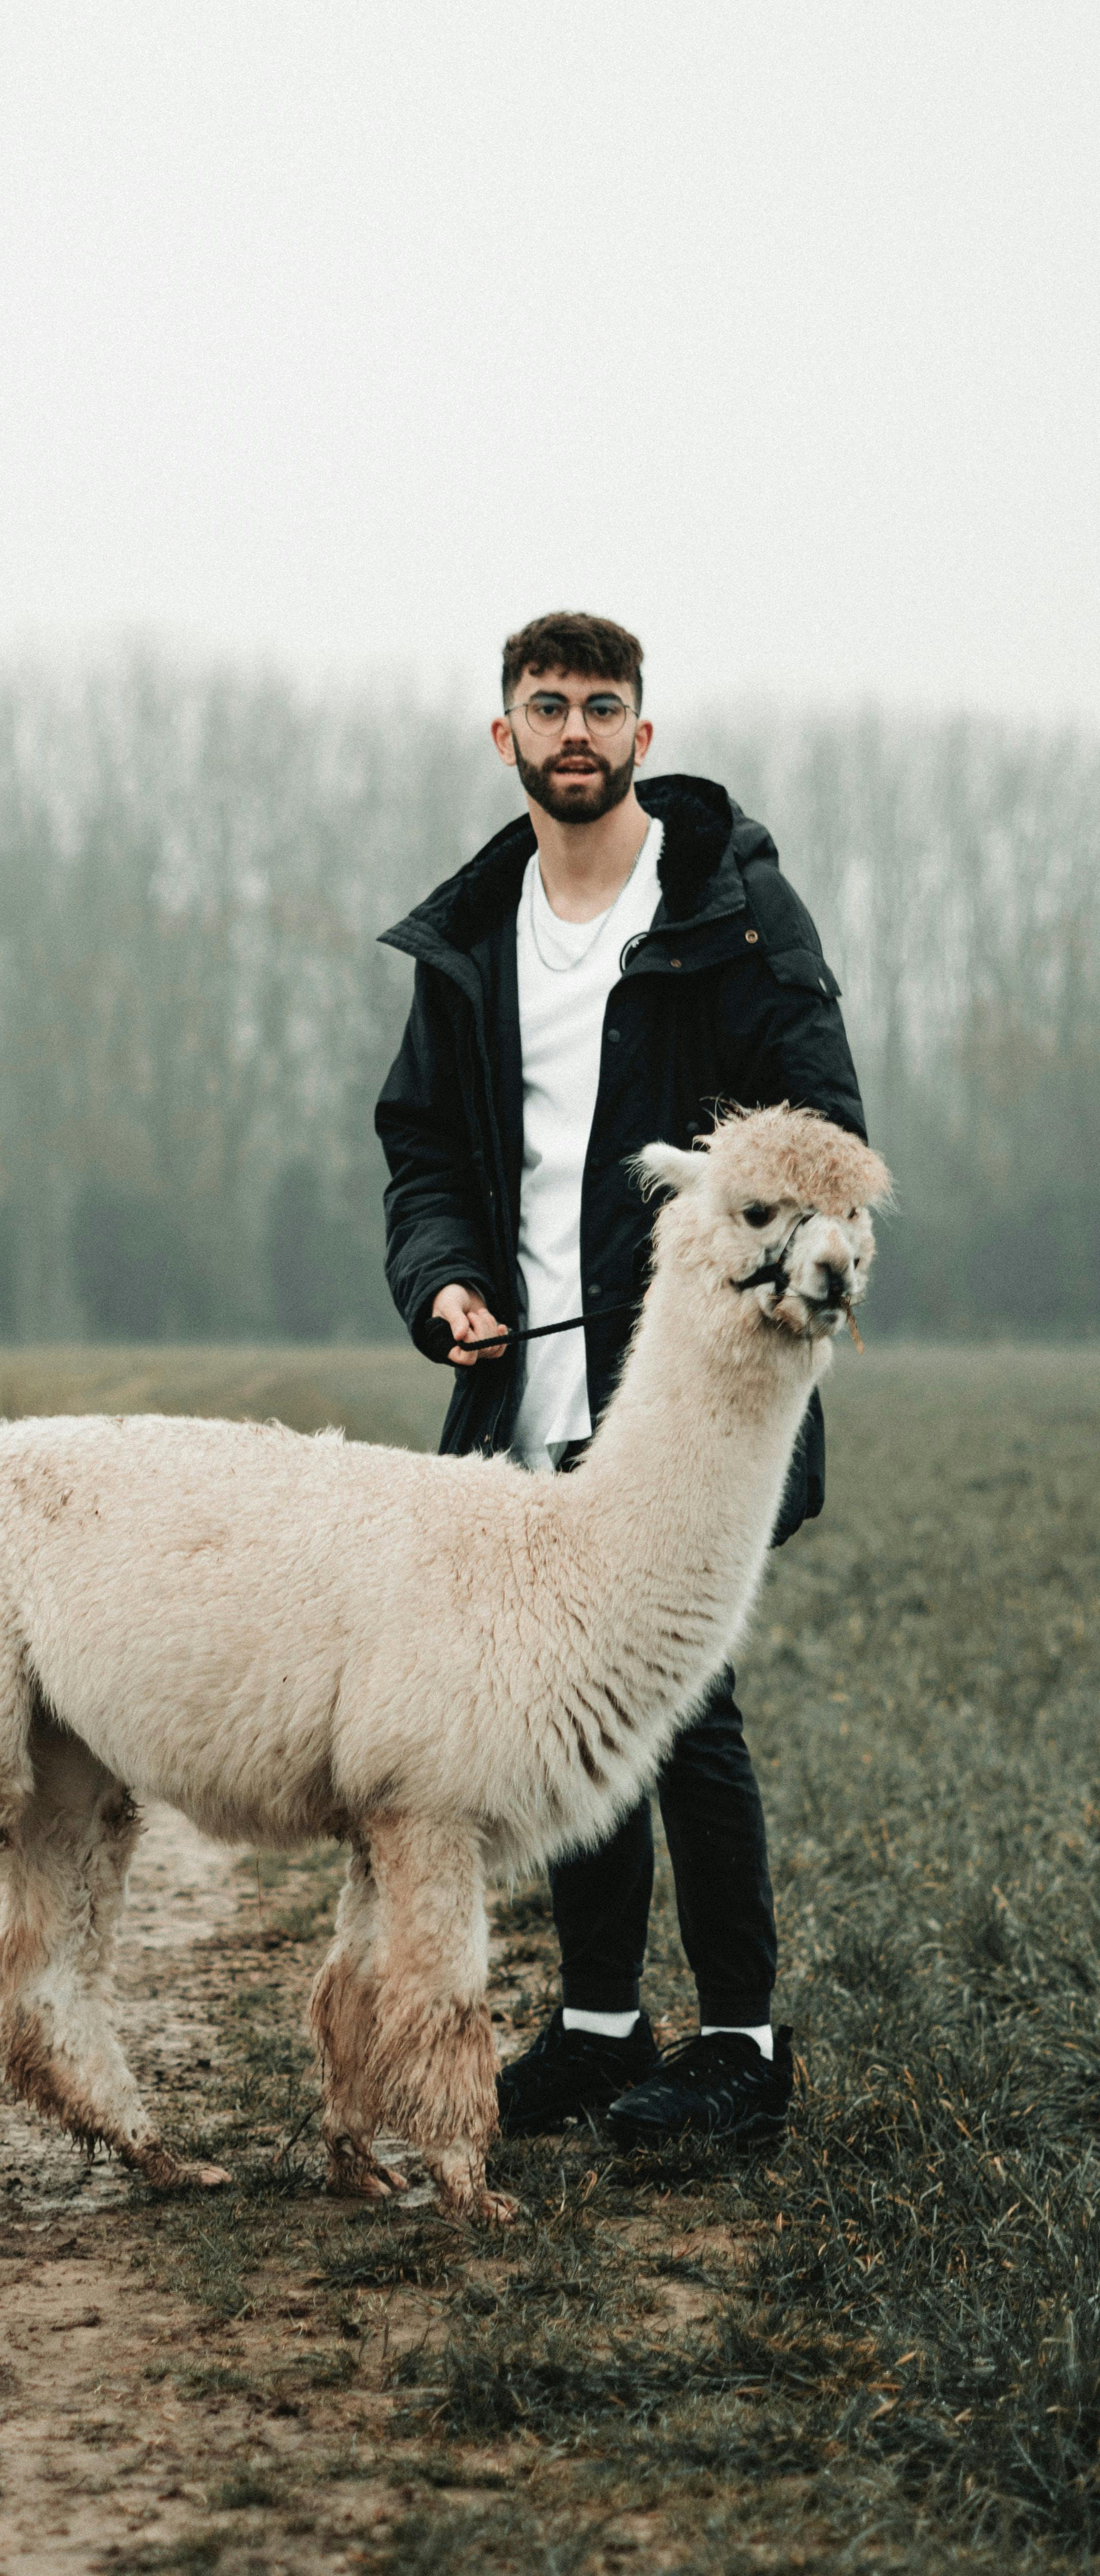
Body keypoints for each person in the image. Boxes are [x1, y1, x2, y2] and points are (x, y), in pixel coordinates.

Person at [373, 610, 865, 2146]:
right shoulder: (473, 937)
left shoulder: (730, 910)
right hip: (525, 1379)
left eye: (601, 706)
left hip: (686, 1393)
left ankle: (743, 2045)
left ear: (642, 735)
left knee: (685, 1705)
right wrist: (443, 1277)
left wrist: (756, 1256)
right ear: (503, 734)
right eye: (546, 705)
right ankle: (598, 2024)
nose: (573, 729)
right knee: (560, 1696)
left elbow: (824, 1133)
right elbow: (429, 1154)